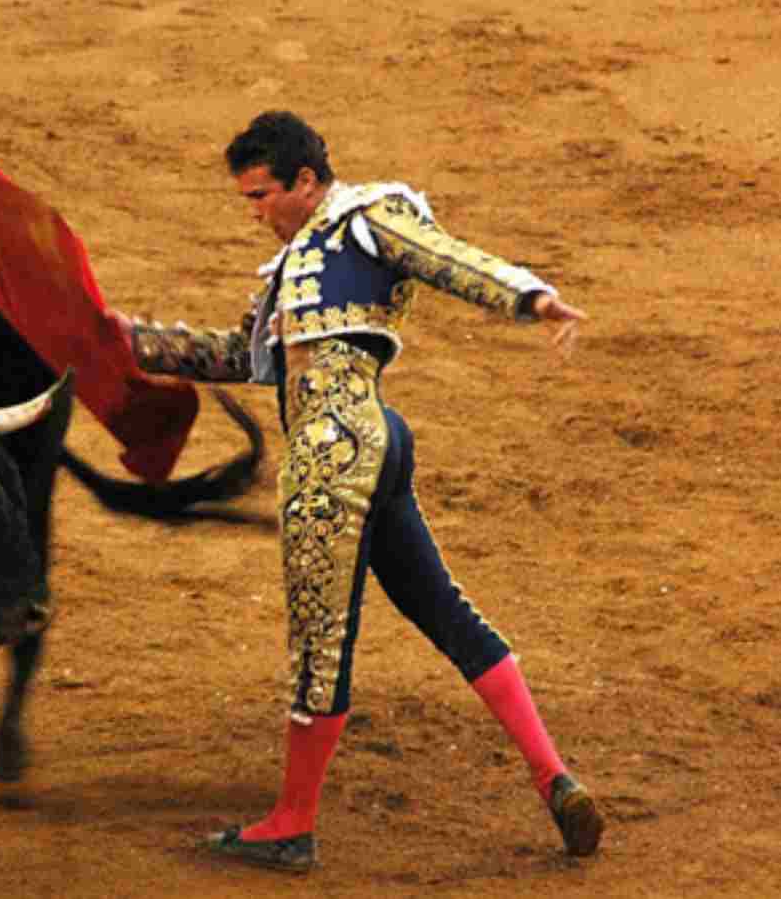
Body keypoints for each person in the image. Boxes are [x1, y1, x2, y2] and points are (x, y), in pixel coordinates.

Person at [113, 110, 603, 873]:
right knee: (441, 607)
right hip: (376, 440)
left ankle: (291, 825)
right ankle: (554, 776)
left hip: (333, 448)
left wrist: (529, 297)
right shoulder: (294, 265)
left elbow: (444, 257)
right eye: (245, 198)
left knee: (319, 640)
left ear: (307, 182)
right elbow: (241, 356)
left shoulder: (369, 215)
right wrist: (128, 340)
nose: (255, 213)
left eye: (262, 195)